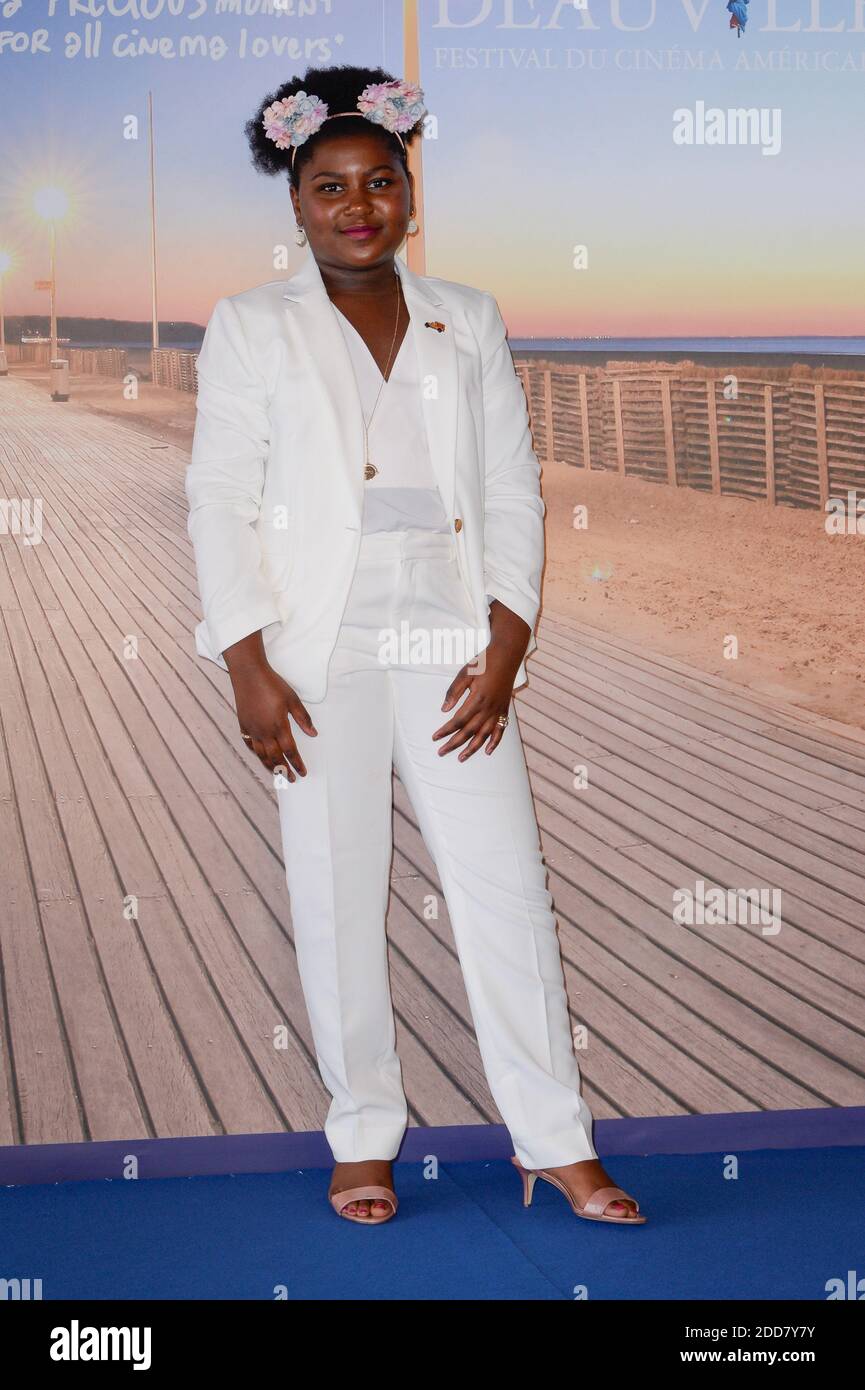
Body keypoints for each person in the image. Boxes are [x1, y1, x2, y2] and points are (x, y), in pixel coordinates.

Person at [185, 63, 645, 1228]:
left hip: (451, 641)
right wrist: (245, 656)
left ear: (409, 195)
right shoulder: (250, 325)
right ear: (296, 202)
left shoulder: (468, 315)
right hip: (313, 650)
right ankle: (362, 1137)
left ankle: (554, 1139)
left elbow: (508, 486)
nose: (356, 204)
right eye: (329, 185)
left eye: (379, 181)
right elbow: (218, 496)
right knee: (337, 894)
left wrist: (509, 635)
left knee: (508, 893)